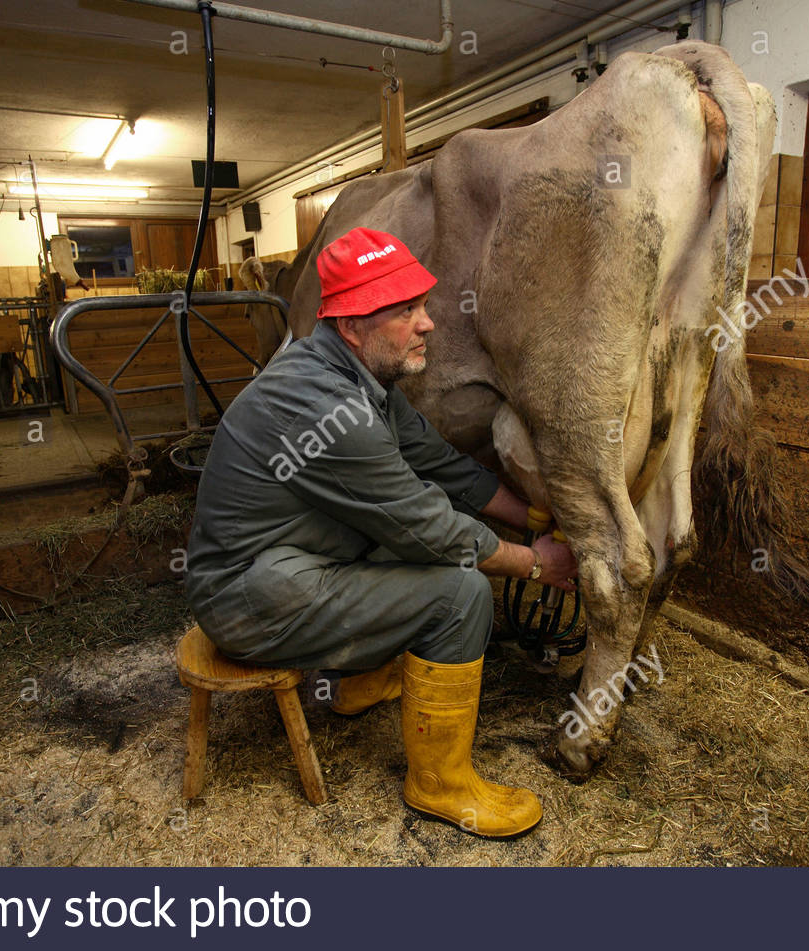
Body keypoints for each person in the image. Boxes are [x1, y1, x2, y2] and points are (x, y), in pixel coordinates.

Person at [185, 227, 578, 838]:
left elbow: (440, 465)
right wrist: (535, 563)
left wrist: (533, 511)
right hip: (246, 599)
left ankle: (356, 683)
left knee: (423, 543)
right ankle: (441, 784)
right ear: (352, 325)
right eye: (405, 311)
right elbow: (425, 524)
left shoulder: (356, 377)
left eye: (422, 306)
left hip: (289, 561)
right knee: (462, 594)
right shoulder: (324, 407)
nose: (427, 324)